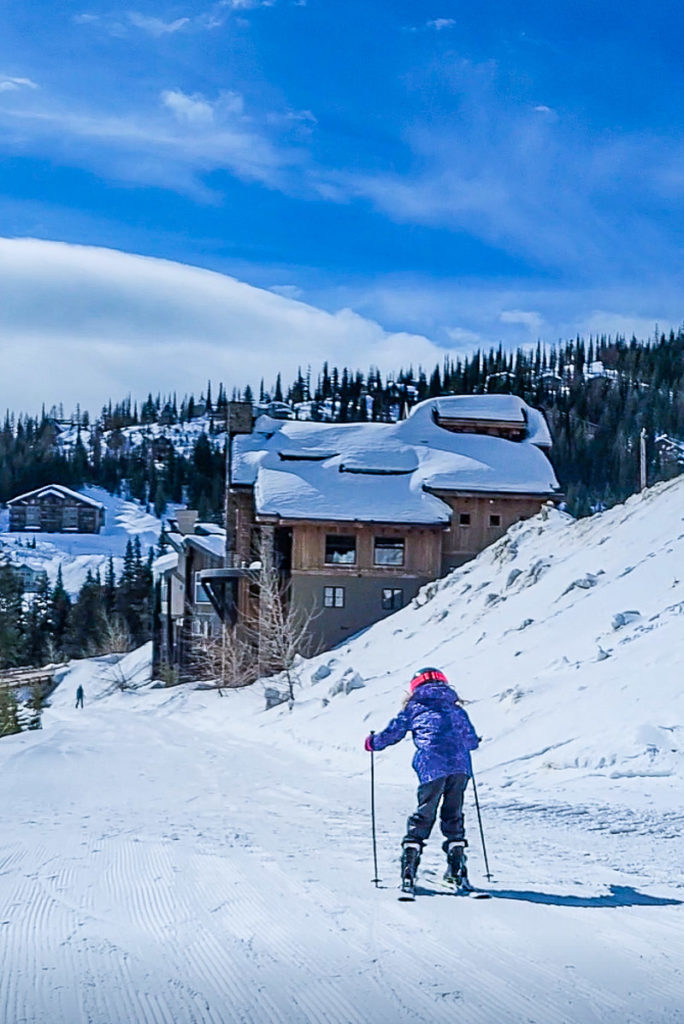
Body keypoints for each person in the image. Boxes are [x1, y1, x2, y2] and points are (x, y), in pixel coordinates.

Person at [364, 667, 480, 889]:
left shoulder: (413, 708)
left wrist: (373, 742)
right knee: (453, 813)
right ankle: (457, 868)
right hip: (459, 767)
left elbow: (393, 733)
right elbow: (471, 740)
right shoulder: (455, 709)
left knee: (425, 812)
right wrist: (471, 743)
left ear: (414, 688)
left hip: (430, 767)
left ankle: (409, 864)